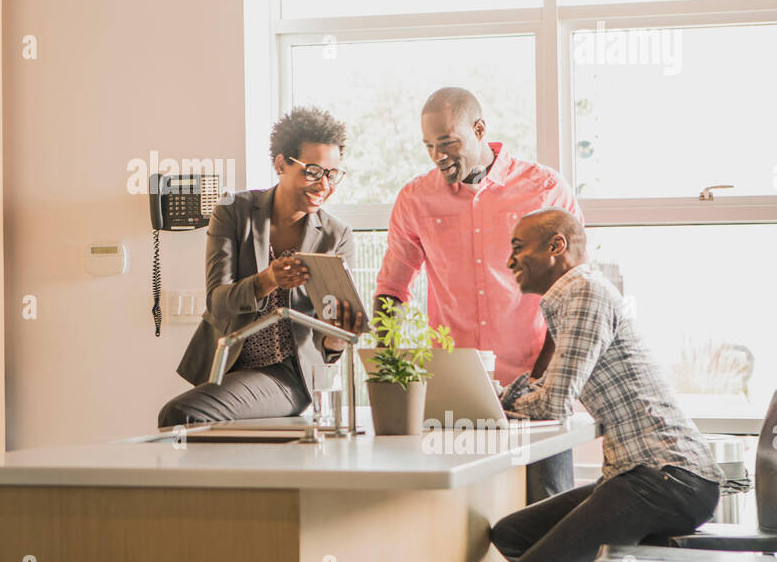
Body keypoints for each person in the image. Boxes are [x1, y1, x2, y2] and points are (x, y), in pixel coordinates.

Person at [489, 208, 723, 562]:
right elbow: (550, 389)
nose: (509, 262)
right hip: (645, 475)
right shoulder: (574, 297)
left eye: (517, 248)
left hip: (666, 478)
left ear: (556, 246)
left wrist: (494, 408)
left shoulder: (583, 293)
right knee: (513, 535)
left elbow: (552, 403)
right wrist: (496, 398)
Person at [374, 87, 582, 503]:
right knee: (459, 522)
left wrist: (541, 380)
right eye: (429, 146)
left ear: (480, 129)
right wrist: (390, 373)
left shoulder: (543, 189)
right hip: (454, 392)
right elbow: (392, 291)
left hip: (538, 385)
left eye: (448, 142)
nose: (438, 155)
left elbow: (573, 293)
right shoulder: (415, 200)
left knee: (548, 511)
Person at [160, 107, 365, 427]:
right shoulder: (234, 212)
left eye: (332, 173)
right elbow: (217, 302)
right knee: (183, 416)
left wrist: (338, 339)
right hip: (227, 365)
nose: (323, 184)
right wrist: (266, 280)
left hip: (288, 375)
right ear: (281, 164)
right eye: (312, 171)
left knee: (181, 414)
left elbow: (328, 343)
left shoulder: (336, 236)